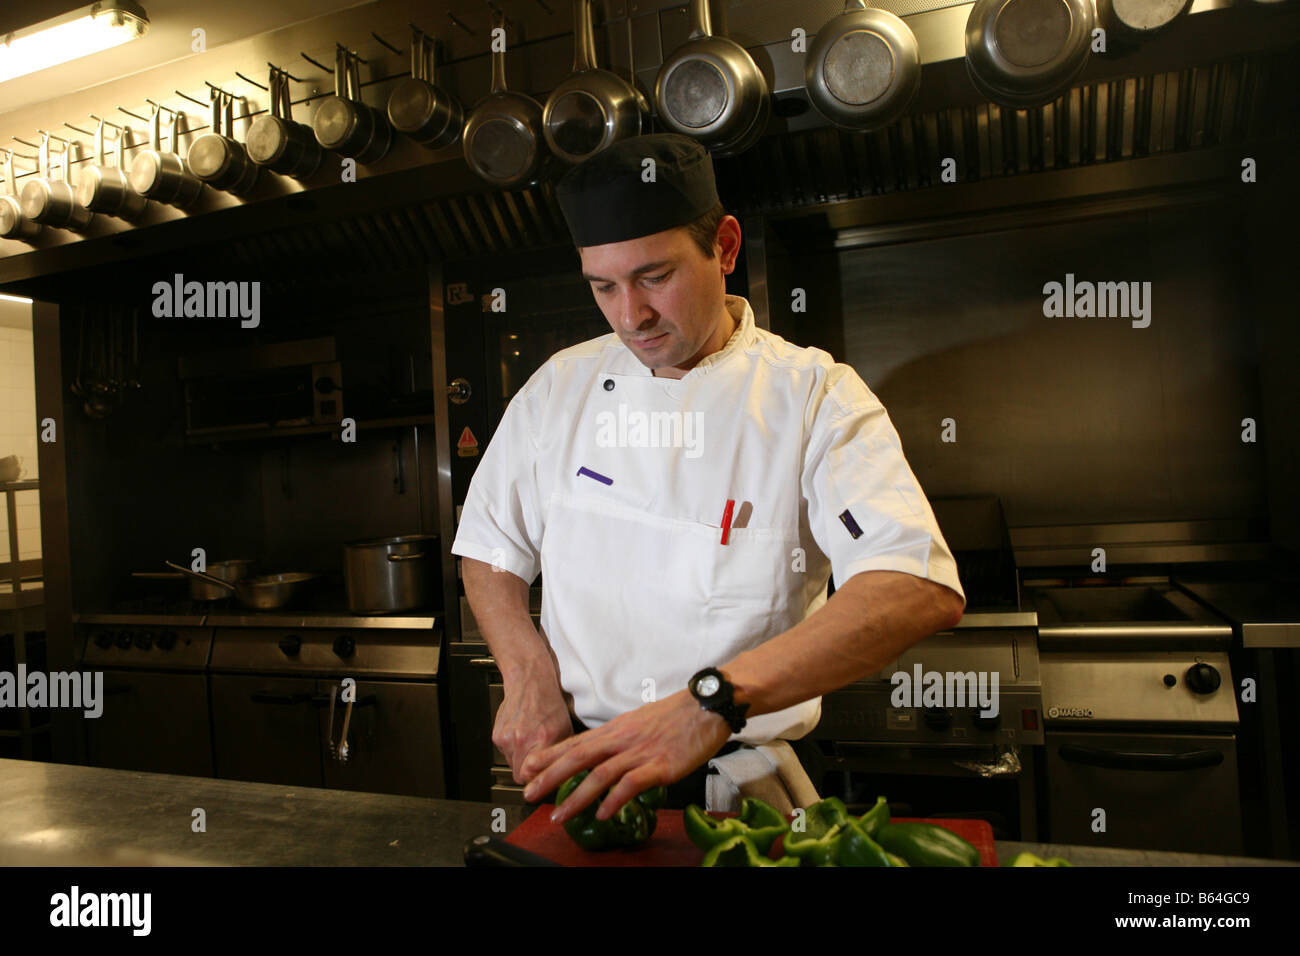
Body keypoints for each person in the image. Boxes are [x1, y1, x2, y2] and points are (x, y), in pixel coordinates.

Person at [451, 133, 966, 826]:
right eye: (603, 286)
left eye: (654, 277)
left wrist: (712, 702)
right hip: (586, 773)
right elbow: (489, 546)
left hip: (744, 786)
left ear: (724, 247)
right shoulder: (559, 389)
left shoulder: (815, 396)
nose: (630, 315)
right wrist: (527, 672)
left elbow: (914, 586)